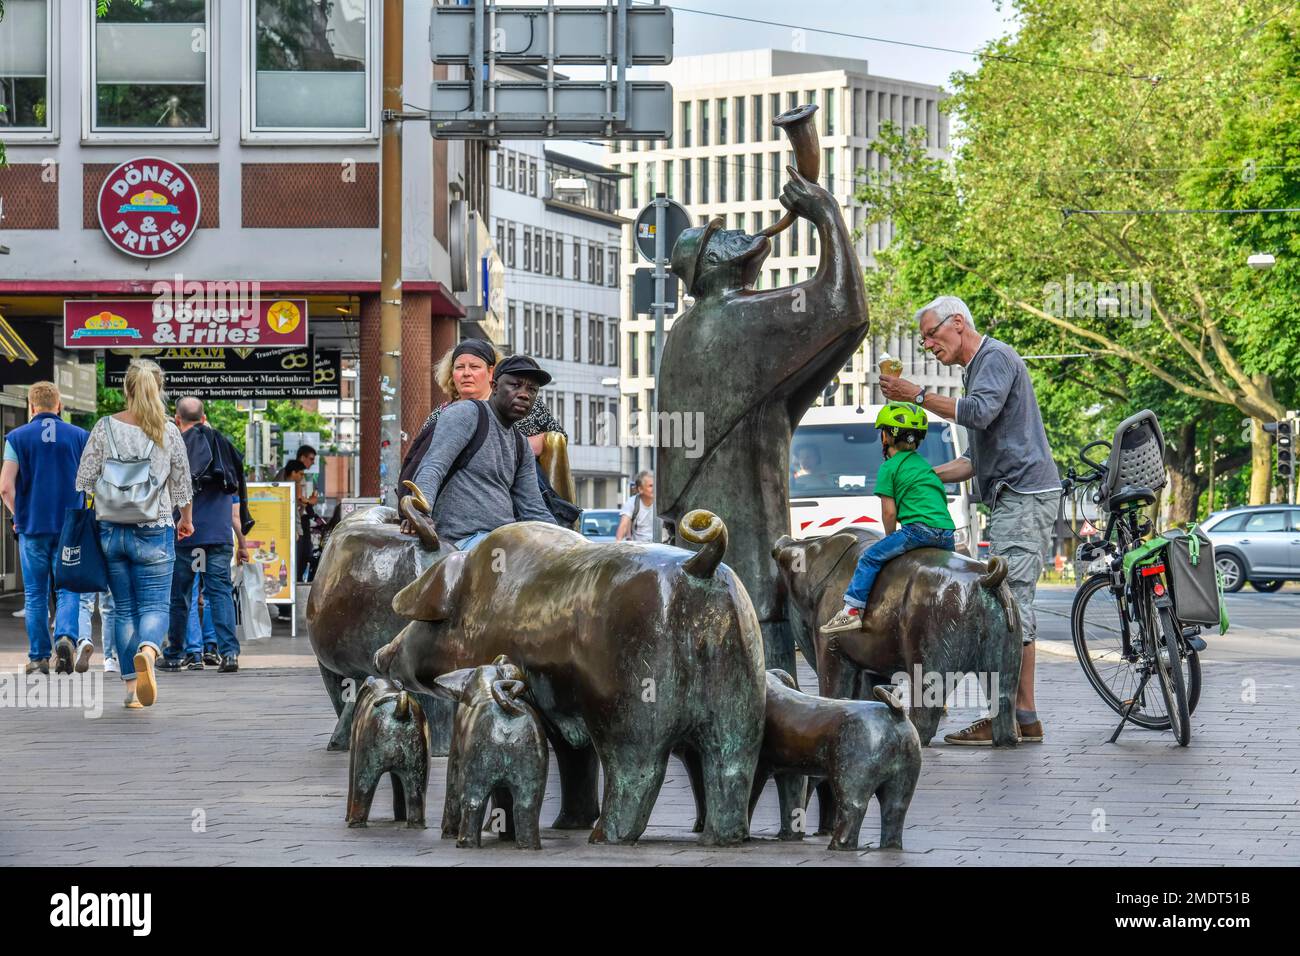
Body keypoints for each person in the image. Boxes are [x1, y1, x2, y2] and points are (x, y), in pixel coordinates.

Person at [880, 295, 1060, 745]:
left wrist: (917, 396)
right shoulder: (976, 370)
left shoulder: (994, 358)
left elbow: (977, 412)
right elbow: (971, 462)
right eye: (923, 339)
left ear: (957, 323)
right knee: (994, 606)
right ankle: (1008, 714)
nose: (927, 345)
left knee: (1011, 607)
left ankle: (1019, 717)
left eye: (930, 334)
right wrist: (917, 478)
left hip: (1024, 496)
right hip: (1010, 498)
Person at [76, 359, 194, 709]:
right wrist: (186, 518)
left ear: (126, 389)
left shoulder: (104, 427)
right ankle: (148, 650)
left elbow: (83, 479)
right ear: (158, 390)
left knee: (123, 608)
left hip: (111, 530)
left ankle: (131, 690)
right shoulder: (168, 430)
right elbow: (182, 484)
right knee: (156, 604)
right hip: (155, 527)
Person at [820, 403, 956, 632]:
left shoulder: (889, 468)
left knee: (871, 557)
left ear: (885, 436)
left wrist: (890, 537)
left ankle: (851, 611)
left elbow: (889, 512)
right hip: (946, 533)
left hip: (917, 531)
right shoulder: (925, 467)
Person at [412, 354, 558, 551]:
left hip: (501, 540)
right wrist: (420, 514)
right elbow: (433, 466)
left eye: (532, 390)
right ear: (495, 386)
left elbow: (533, 508)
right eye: (515, 385)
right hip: (460, 542)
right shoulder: (467, 414)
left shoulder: (520, 443)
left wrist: (565, 545)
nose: (524, 394)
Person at [0, 381, 90, 676]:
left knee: (36, 594)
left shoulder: (16, 438)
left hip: (32, 527)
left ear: (31, 406)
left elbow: (4, 487)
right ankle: (65, 637)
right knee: (68, 588)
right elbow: (92, 483)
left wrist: (19, 515)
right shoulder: (80, 437)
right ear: (59, 405)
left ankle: (38, 657)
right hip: (70, 528)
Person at [163, 397, 249, 675]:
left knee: (180, 595)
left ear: (177, 419)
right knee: (220, 592)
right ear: (204, 417)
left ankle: (175, 654)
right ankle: (229, 653)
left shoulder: (177, 446)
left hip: (185, 533)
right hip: (220, 535)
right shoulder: (223, 445)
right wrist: (242, 541)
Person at [616, 471, 656, 542]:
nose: (654, 488)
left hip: (661, 547)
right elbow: (623, 526)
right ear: (640, 489)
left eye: (655, 485)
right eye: (650, 486)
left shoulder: (662, 502)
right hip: (640, 548)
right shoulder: (632, 503)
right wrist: (617, 543)